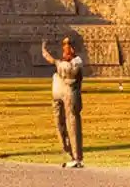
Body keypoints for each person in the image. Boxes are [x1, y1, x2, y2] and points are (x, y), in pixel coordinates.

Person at [42, 36, 85, 168]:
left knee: (73, 126)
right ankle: (70, 154)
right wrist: (44, 50)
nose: (65, 51)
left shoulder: (77, 62)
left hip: (70, 98)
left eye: (67, 48)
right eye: (64, 48)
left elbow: (70, 73)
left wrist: (58, 63)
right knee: (60, 125)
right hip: (58, 97)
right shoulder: (62, 62)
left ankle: (77, 157)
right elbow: (50, 59)